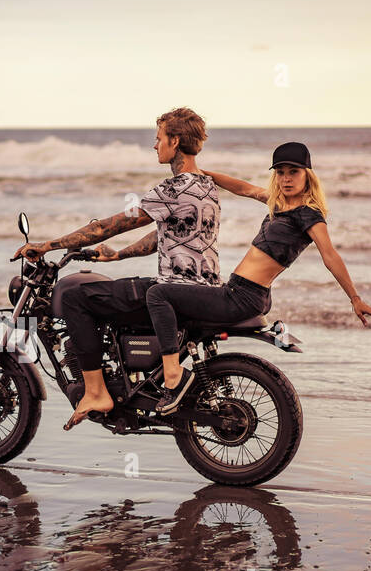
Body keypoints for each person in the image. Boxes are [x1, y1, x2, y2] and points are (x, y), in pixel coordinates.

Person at [12, 107, 222, 429]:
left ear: (175, 141)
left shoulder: (172, 189)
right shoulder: (207, 187)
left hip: (171, 289)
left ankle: (96, 392)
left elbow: (111, 225)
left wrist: (47, 245)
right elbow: (168, 234)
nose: (155, 145)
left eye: (158, 138)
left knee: (76, 298)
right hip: (202, 291)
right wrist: (119, 256)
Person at [148, 141, 371, 415]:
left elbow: (329, 254)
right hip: (247, 293)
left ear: (308, 174)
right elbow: (244, 188)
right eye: (280, 172)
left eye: (293, 172)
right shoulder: (279, 203)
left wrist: (355, 298)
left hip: (241, 297)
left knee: (158, 294)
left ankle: (173, 379)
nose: (286, 179)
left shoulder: (308, 214)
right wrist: (200, 174)